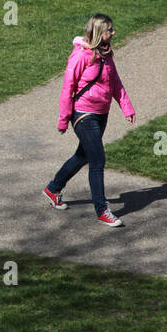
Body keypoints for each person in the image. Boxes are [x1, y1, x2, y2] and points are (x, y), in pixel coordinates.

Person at [43, 13, 136, 225]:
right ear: (98, 32)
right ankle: (102, 210)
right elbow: (68, 88)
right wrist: (63, 119)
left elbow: (115, 83)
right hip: (84, 115)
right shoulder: (80, 57)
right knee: (98, 160)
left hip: (102, 113)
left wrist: (127, 107)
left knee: (82, 155)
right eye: (109, 30)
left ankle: (53, 188)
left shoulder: (106, 54)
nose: (113, 33)